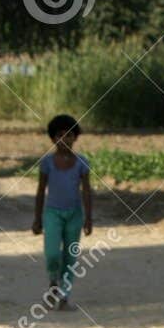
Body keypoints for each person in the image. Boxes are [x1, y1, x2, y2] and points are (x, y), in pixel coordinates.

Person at [31, 113, 92, 310]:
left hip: (74, 214)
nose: (64, 140)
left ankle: (64, 297)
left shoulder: (82, 163)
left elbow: (87, 192)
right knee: (52, 253)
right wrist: (37, 219)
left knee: (70, 256)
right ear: (53, 138)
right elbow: (41, 191)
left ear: (75, 138)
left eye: (69, 135)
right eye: (60, 135)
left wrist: (88, 218)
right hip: (52, 214)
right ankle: (53, 281)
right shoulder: (47, 163)